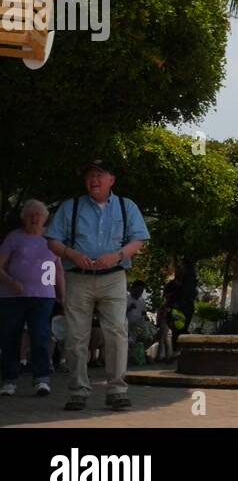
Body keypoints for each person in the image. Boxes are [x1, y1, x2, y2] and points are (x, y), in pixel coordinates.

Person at [45, 159, 149, 411]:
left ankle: (116, 389)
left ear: (111, 179)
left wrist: (117, 255)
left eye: (100, 174)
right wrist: (70, 253)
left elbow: (139, 240)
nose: (94, 180)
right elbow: (52, 241)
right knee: (76, 336)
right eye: (90, 175)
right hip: (78, 277)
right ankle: (78, 390)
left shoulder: (127, 206)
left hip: (114, 277)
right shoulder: (71, 207)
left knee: (116, 333)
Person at [0, 200, 64, 397]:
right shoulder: (14, 237)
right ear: (24, 218)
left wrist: (64, 296)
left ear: (45, 218)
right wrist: (11, 282)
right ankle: (9, 380)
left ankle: (42, 379)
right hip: (13, 296)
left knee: (41, 336)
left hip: (43, 296)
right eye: (30, 215)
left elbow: (58, 270)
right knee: (10, 336)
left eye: (39, 215)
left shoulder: (52, 239)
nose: (35, 218)